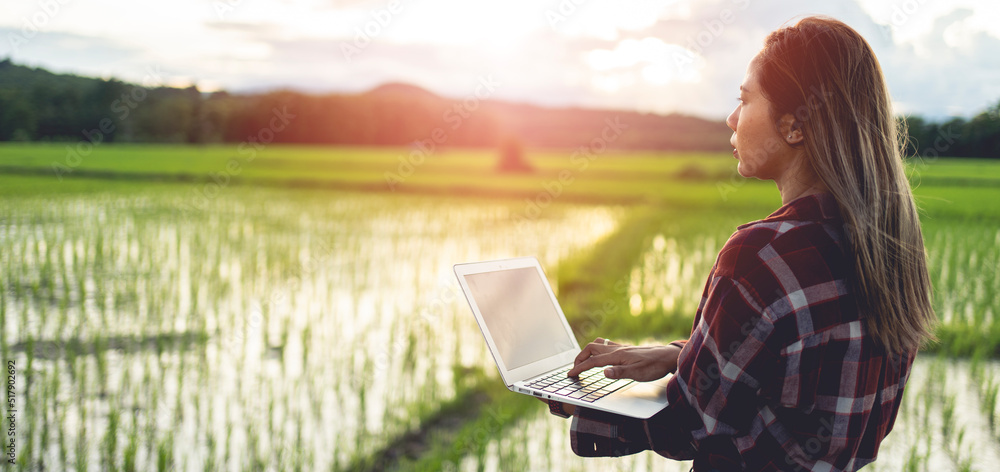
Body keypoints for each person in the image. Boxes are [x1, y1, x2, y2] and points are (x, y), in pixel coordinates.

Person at [546, 16, 935, 471]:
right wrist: (680, 356)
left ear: (794, 127)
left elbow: (690, 422)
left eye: (744, 99)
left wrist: (581, 400)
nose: (732, 118)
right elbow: (790, 387)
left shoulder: (764, 254)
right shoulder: (891, 247)